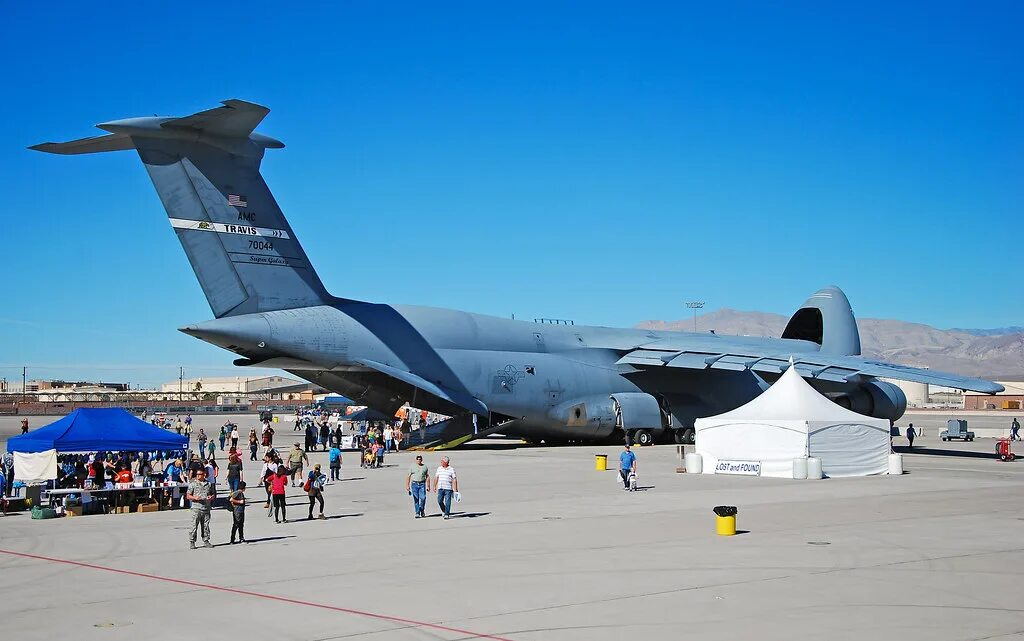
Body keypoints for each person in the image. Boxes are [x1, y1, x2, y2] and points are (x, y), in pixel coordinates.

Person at [186, 469, 214, 549]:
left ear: (204, 474)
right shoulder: (193, 484)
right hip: (196, 508)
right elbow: (188, 496)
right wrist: (195, 497)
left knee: (205, 526)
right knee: (194, 526)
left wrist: (211, 498)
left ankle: (206, 540)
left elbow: (212, 494)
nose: (197, 475)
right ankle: (192, 541)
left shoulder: (208, 484)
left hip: (206, 508)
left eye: (199, 474)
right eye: (197, 474)